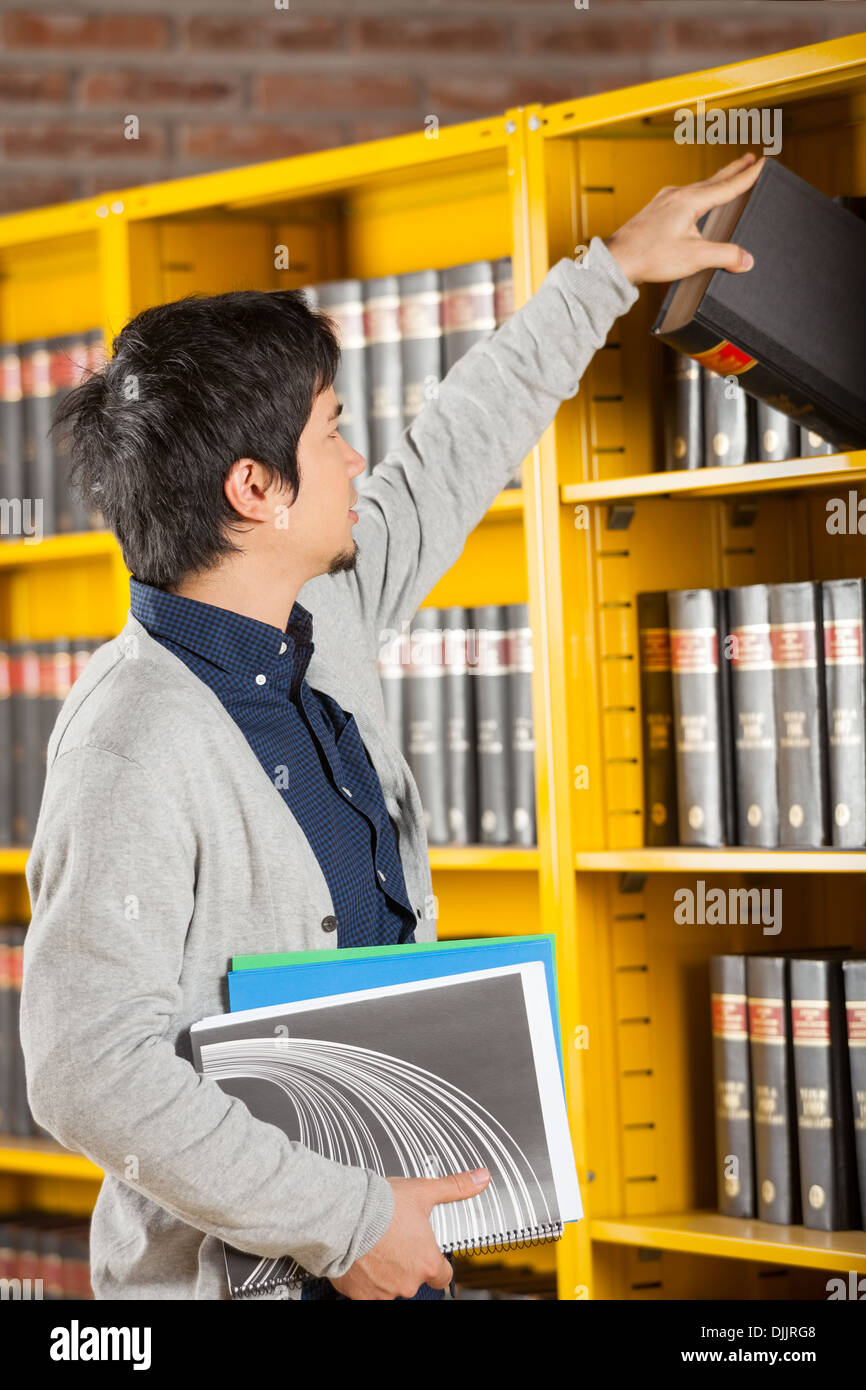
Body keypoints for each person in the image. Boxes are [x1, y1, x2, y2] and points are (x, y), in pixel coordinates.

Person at [20, 153, 763, 1302]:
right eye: (331, 433)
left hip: (384, 1257)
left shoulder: (325, 609)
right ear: (253, 488)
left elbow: (455, 449)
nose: (359, 458)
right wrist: (348, 1217)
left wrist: (610, 271)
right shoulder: (132, 742)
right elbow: (85, 1071)